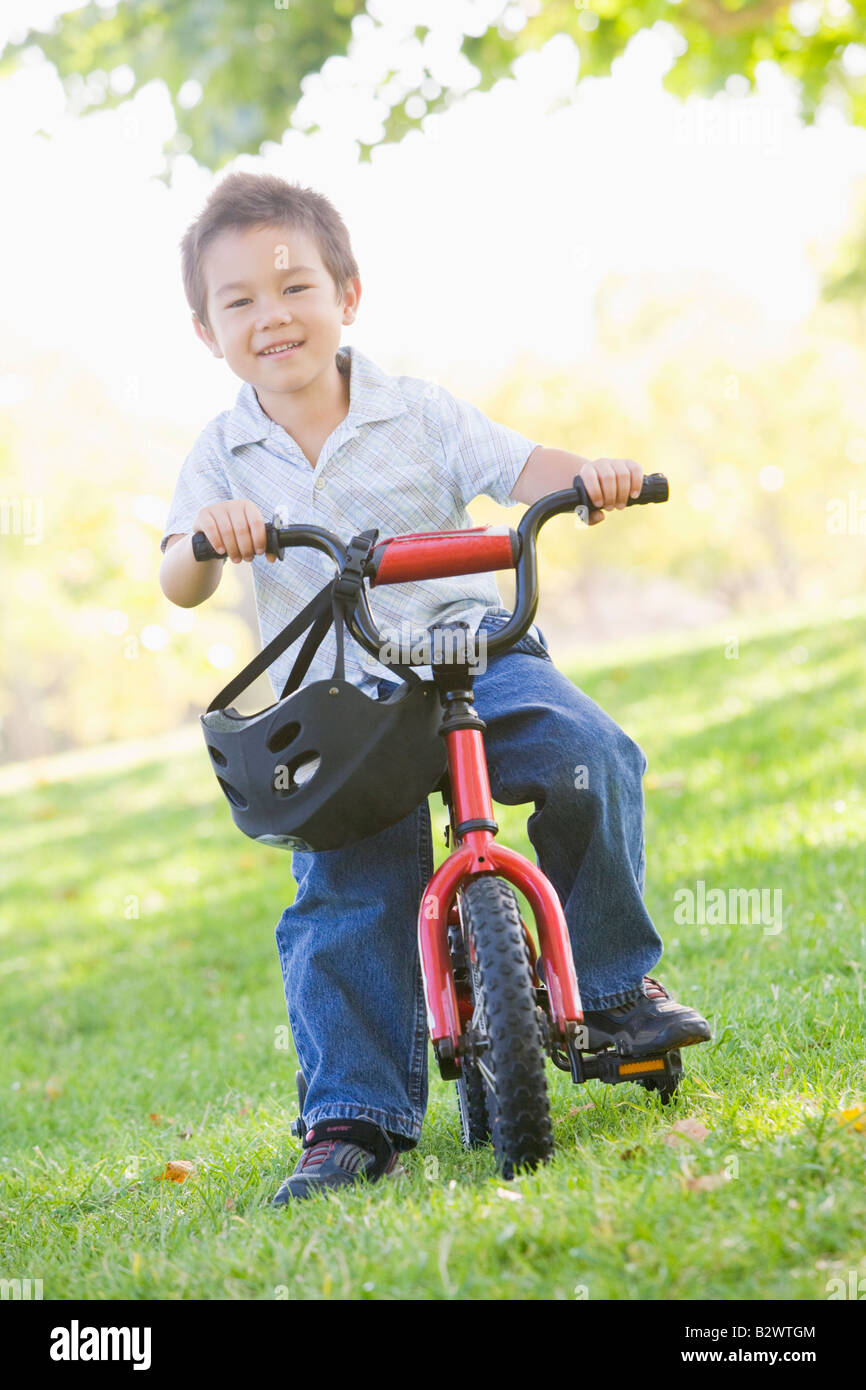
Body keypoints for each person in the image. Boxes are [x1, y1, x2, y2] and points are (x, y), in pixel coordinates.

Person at [159, 171, 711, 1205]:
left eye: (294, 288)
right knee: (344, 890)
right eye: (238, 301)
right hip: (340, 707)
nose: (271, 315)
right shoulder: (222, 453)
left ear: (347, 297)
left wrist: (586, 476)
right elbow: (175, 578)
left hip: (476, 657)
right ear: (206, 331)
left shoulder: (417, 412)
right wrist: (205, 540)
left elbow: (520, 466)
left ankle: (612, 988)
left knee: (591, 757)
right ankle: (352, 1115)